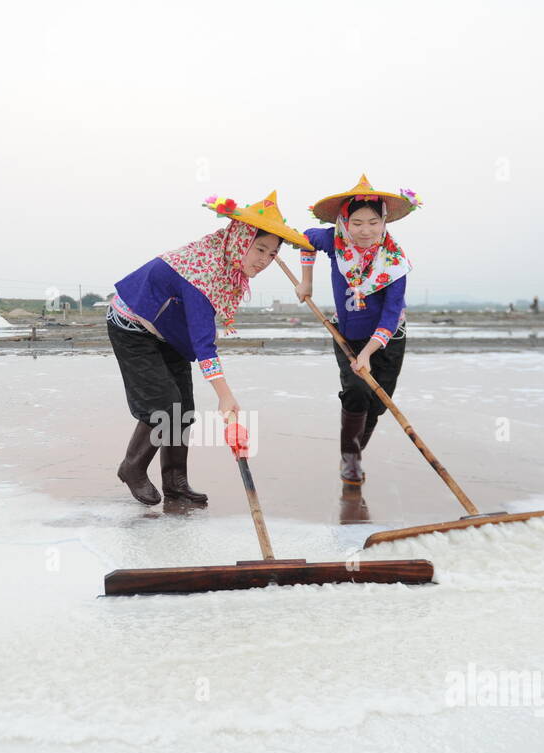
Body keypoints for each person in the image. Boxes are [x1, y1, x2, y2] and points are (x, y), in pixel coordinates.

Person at [107, 191, 313, 506]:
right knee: (163, 406)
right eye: (259, 249)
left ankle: (176, 482)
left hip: (166, 331)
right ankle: (132, 467)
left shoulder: (228, 259)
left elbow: (198, 334)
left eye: (272, 254)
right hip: (132, 324)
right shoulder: (203, 270)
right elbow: (204, 341)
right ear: (241, 240)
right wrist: (225, 395)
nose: (263, 260)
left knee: (182, 410)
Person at [295, 175, 421, 484]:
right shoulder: (335, 241)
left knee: (377, 402)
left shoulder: (394, 262)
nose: (365, 231)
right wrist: (306, 280)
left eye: (373, 223)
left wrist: (367, 353)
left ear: (384, 222)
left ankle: (355, 451)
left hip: (388, 339)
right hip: (347, 334)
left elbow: (390, 317)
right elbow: (305, 238)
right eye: (358, 223)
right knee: (355, 394)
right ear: (345, 222)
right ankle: (350, 460)